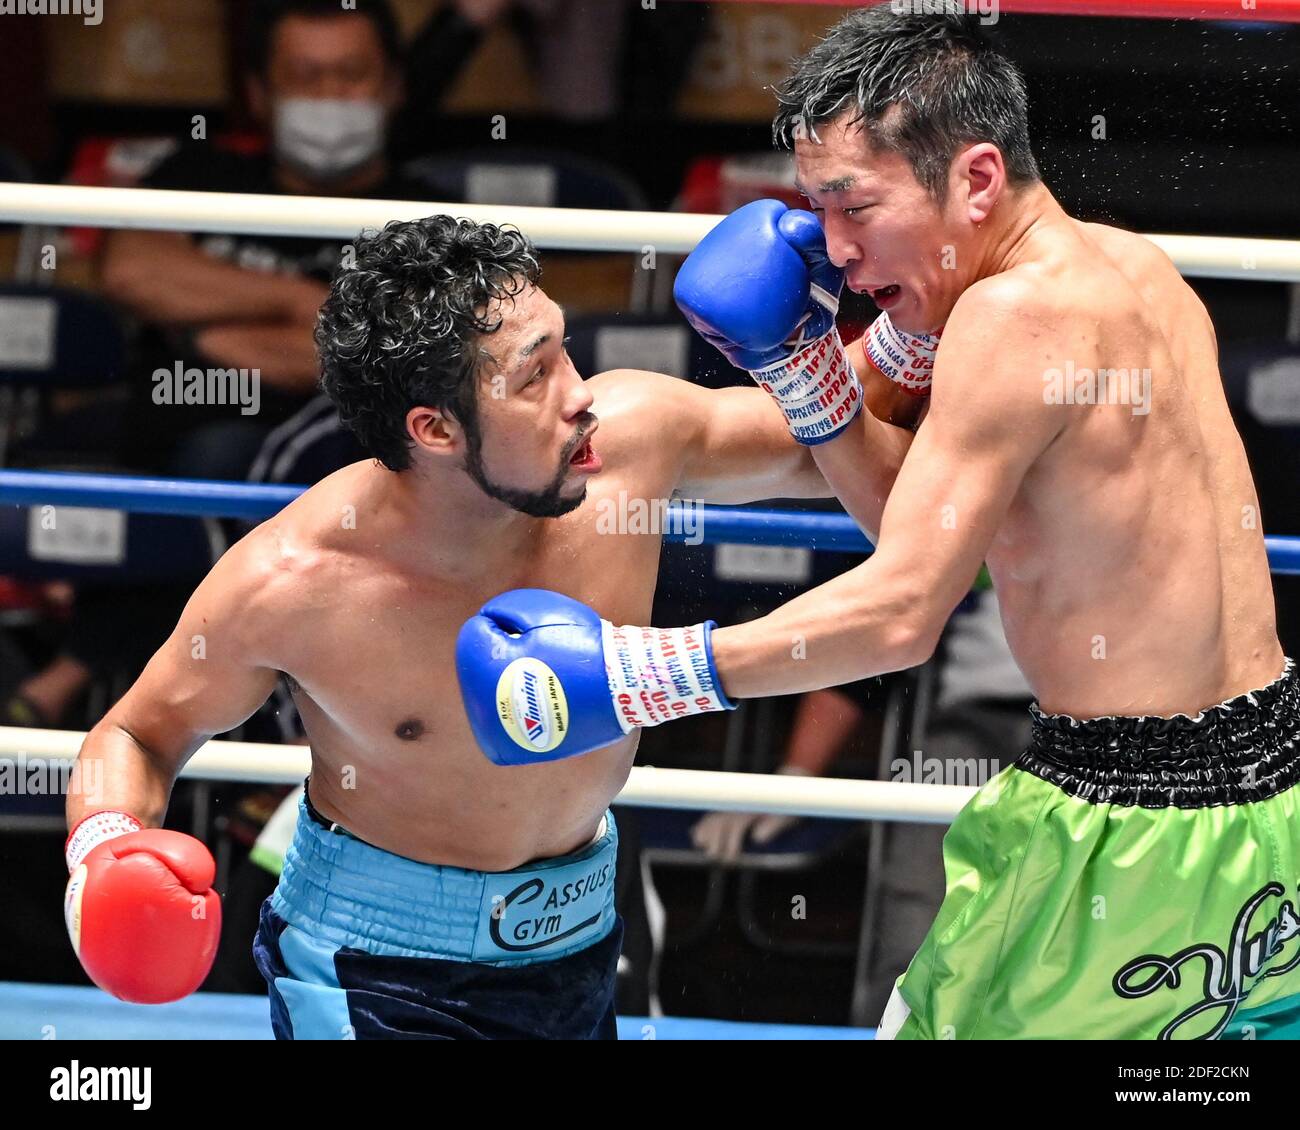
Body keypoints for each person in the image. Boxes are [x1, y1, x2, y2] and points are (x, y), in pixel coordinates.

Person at [457, 8, 1300, 1040]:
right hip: (1269, 795)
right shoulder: (1128, 268)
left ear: (976, 179)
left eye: (853, 206)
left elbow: (902, 606)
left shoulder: (1004, 321)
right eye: (816, 210)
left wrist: (634, 673)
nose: (836, 251)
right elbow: (889, 486)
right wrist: (796, 370)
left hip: (1125, 828)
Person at [62, 213, 936, 1038]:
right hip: (372, 968)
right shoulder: (293, 582)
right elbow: (139, 734)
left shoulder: (630, 443)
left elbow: (843, 438)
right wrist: (103, 853)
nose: (581, 396)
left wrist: (905, 297)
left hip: (578, 946)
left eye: (566, 353)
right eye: (535, 376)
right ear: (434, 429)